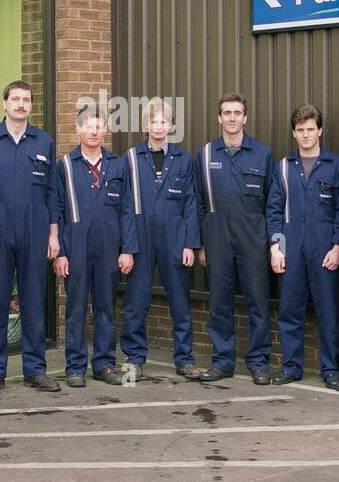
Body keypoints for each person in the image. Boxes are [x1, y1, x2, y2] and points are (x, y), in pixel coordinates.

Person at [0, 81, 62, 393]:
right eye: (15, 99)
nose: (21, 105)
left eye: (26, 100)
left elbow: (53, 192)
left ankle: (35, 370)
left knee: (33, 303)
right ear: (4, 103)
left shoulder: (45, 141)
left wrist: (53, 233)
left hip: (35, 229)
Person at [119, 99, 215, 380]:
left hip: (175, 238)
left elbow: (190, 203)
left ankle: (184, 359)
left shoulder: (183, 159)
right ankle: (134, 358)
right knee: (136, 302)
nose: (159, 127)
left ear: (171, 126)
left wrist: (190, 243)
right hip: (141, 237)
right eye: (154, 122)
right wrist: (128, 246)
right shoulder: (131, 158)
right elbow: (125, 205)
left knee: (180, 302)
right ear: (146, 125)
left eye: (164, 122)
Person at [195, 93, 276, 383]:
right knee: (219, 302)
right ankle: (222, 362)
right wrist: (201, 242)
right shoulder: (205, 154)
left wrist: (272, 243)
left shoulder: (262, 153)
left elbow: (272, 201)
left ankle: (258, 363)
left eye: (237, 113)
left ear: (245, 117)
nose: (231, 118)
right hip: (217, 239)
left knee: (257, 302)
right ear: (219, 118)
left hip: (253, 238)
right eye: (226, 113)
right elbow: (198, 202)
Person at [54, 106, 136, 386]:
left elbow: (127, 209)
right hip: (75, 248)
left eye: (99, 127)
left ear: (106, 131)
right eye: (88, 126)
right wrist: (60, 253)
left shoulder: (117, 165)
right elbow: (57, 210)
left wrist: (127, 249)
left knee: (106, 308)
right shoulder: (64, 165)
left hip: (109, 249)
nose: (93, 131)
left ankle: (104, 364)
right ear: (78, 129)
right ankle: (75, 367)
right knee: (76, 309)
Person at [267, 104, 339, 386]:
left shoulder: (336, 165)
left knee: (329, 311)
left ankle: (331, 370)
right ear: (293, 133)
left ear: (320, 130)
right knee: (290, 310)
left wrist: (337, 246)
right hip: (291, 246)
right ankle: (291, 367)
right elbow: (274, 209)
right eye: (300, 130)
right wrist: (276, 247)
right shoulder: (284, 167)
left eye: (310, 129)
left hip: (324, 248)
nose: (305, 135)